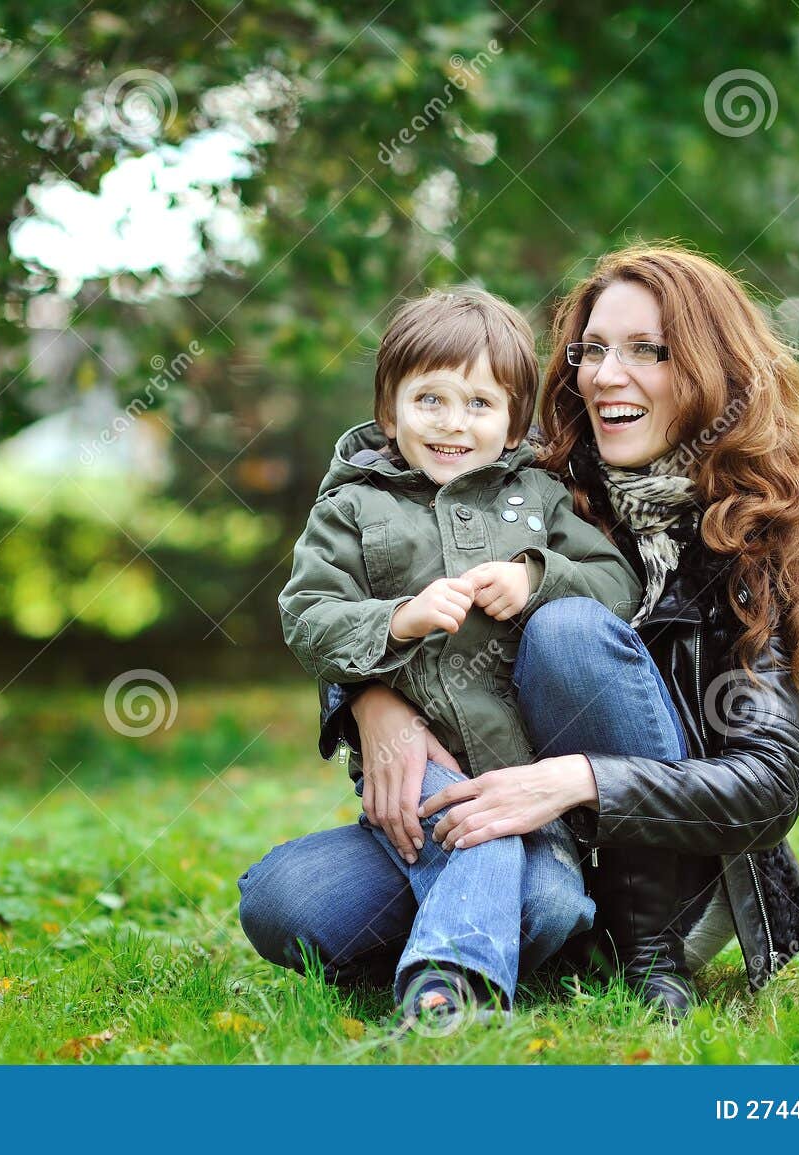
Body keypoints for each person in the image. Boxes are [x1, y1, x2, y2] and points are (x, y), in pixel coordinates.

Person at [239, 243, 799, 1022]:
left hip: (666, 872)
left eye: (649, 351)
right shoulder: (540, 480)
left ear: (712, 372)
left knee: (569, 627)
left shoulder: (755, 533)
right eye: (593, 350)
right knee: (287, 897)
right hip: (512, 818)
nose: (606, 374)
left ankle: (631, 947)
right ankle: (534, 923)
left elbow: (767, 786)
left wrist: (575, 780)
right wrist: (371, 700)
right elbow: (358, 588)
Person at [269, 287, 641, 1026]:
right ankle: (448, 986)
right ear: (389, 410)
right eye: (429, 399)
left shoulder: (538, 498)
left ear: (510, 425)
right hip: (420, 763)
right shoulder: (352, 505)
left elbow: (617, 583)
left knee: (554, 901)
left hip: (521, 765)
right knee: (470, 837)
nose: (452, 423)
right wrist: (397, 619)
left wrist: (536, 576)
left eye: (479, 404)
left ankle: (473, 927)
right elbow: (307, 616)